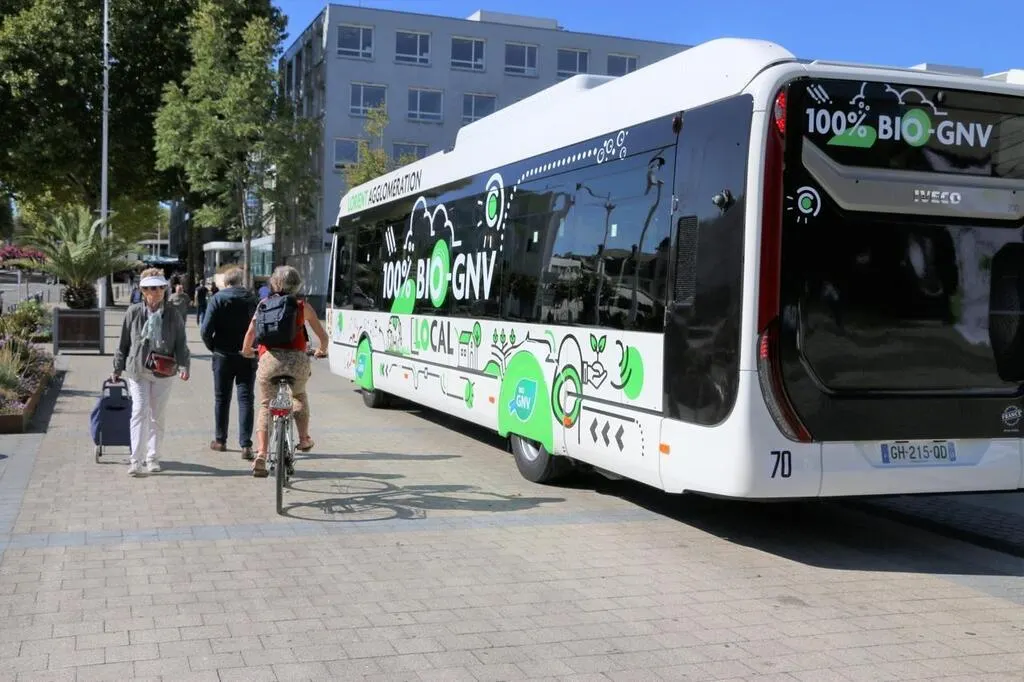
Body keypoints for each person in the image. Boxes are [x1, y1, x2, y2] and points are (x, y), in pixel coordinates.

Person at [241, 265, 328, 477]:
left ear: (274, 283)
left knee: (265, 405)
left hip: (269, 360)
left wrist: (246, 351)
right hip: (297, 361)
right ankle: (304, 438)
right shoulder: (302, 306)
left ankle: (261, 453)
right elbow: (323, 336)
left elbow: (251, 332)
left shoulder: (264, 304)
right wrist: (321, 350)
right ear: (297, 284)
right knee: (298, 395)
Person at [112, 267, 191, 476]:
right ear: (142, 291)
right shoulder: (133, 312)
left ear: (164, 289)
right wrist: (117, 368)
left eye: (157, 288)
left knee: (157, 416)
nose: (154, 292)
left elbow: (181, 343)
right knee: (139, 411)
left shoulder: (173, 313)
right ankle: (135, 460)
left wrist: (184, 365)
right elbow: (123, 344)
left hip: (163, 371)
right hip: (137, 369)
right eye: (148, 289)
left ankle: (153, 457)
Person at [200, 266, 259, 459]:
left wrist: (214, 347)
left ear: (226, 283)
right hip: (246, 355)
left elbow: (205, 330)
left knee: (221, 399)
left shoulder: (217, 299)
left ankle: (220, 440)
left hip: (222, 355)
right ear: (241, 281)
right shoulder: (252, 299)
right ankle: (246, 445)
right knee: (246, 399)